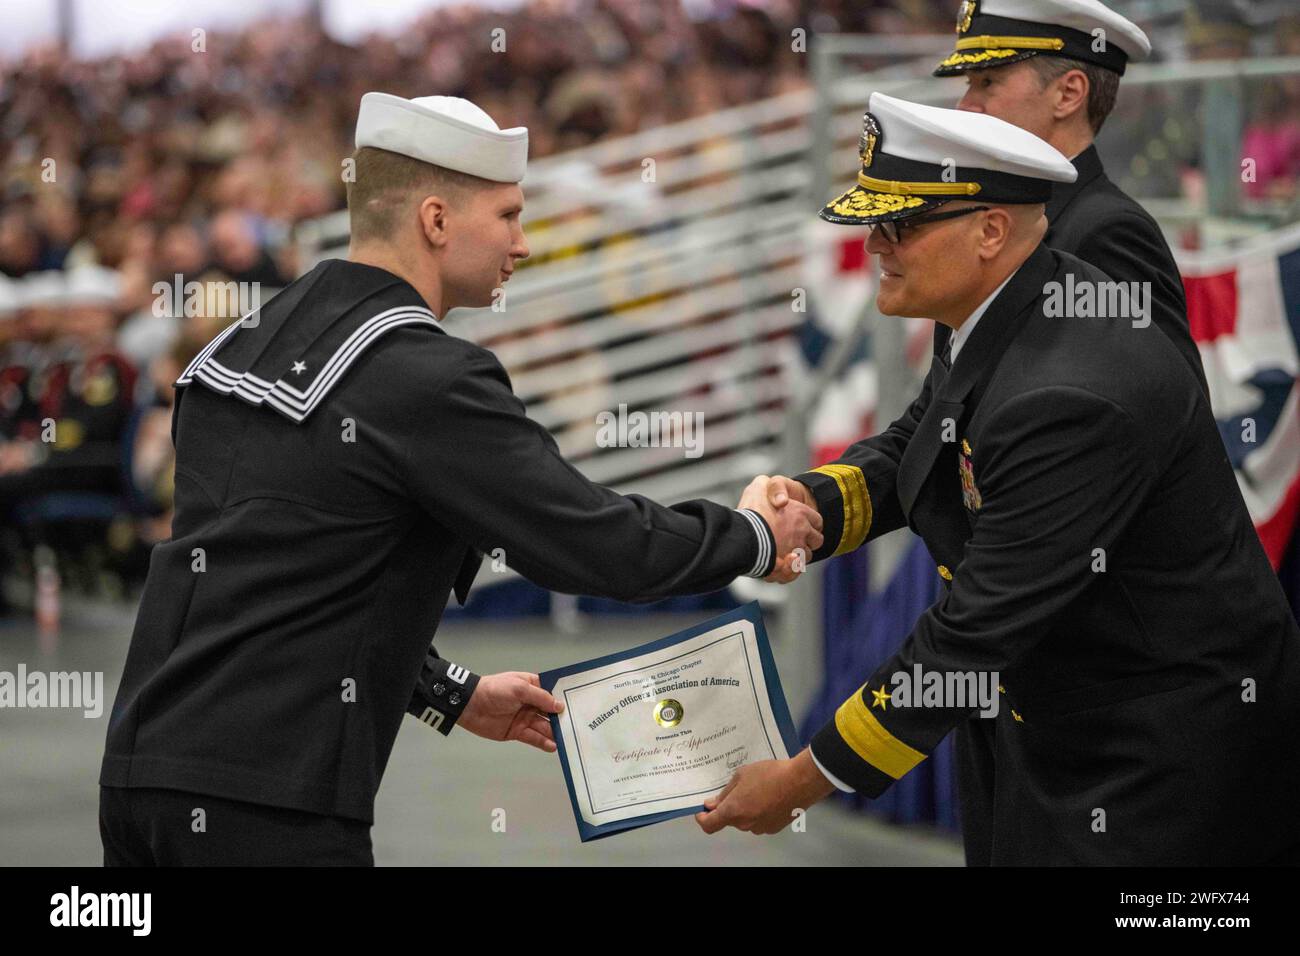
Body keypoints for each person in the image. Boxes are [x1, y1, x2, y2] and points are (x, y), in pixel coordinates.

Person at [98, 93, 822, 866]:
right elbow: (594, 542)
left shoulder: (236, 345)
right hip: (272, 801)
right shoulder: (425, 375)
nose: (524, 244)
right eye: (508, 215)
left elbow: (284, 571)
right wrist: (750, 536)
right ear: (436, 221)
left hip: (143, 776)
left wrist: (449, 692)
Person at [698, 93, 1300, 865]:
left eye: (901, 224)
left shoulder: (1069, 391)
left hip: (1160, 761)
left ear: (990, 231)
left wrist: (802, 779)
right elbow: (921, 443)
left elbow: (973, 632)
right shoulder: (1006, 304)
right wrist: (803, 505)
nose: (876, 243)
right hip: (1064, 720)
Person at [935, 0, 1207, 394]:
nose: (966, 105)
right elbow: (941, 408)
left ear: (1068, 94)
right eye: (968, 84)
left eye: (988, 82)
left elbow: (1160, 406)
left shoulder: (1108, 233)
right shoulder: (1002, 218)